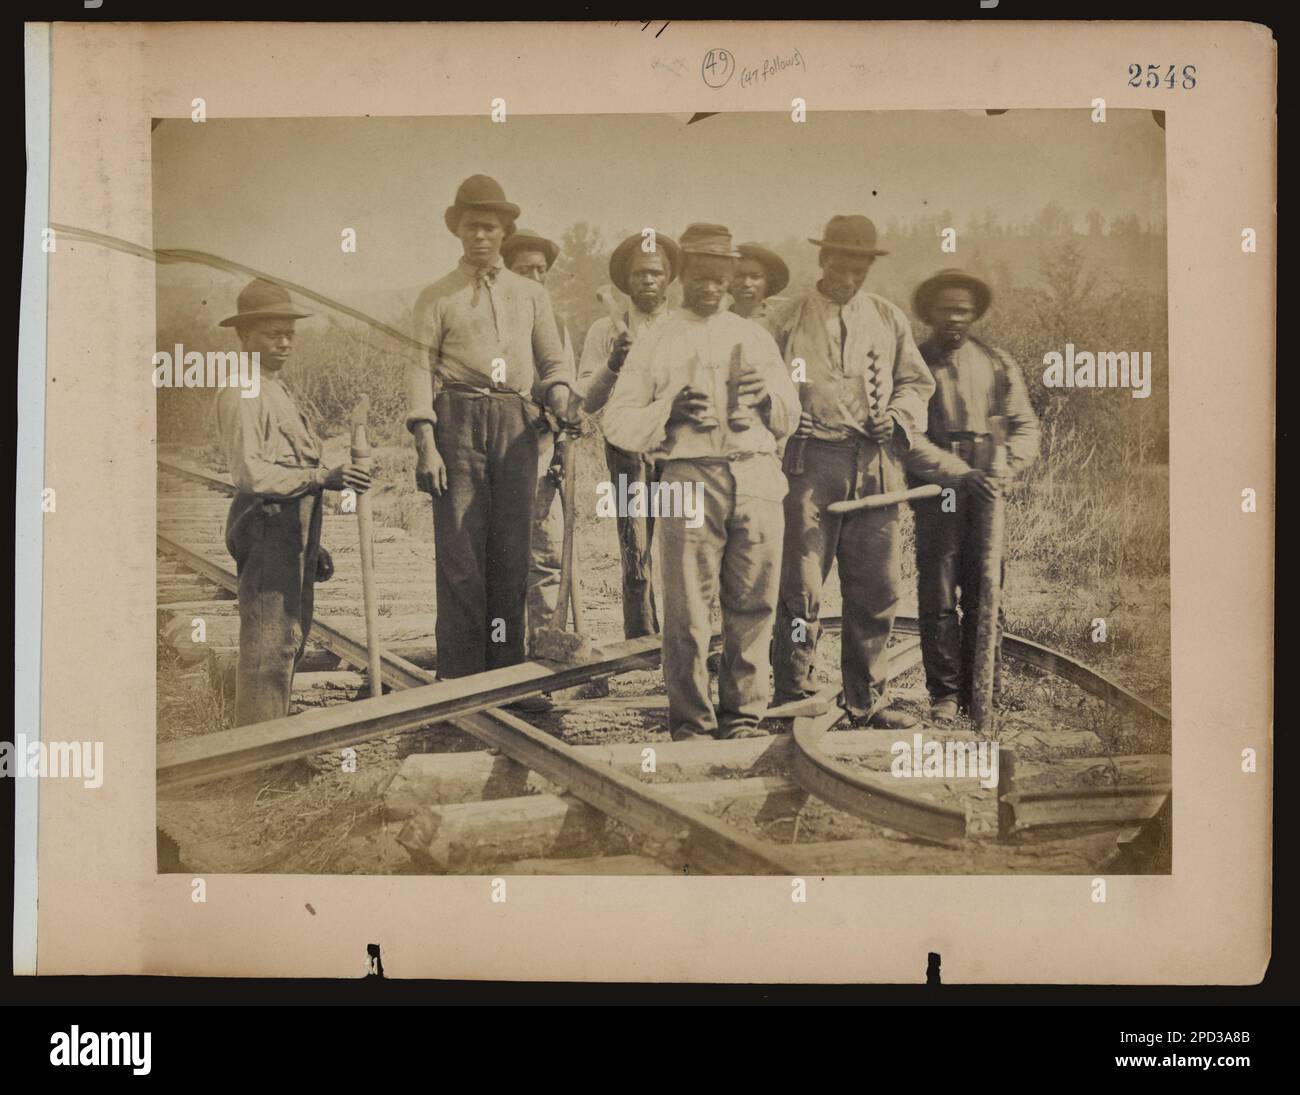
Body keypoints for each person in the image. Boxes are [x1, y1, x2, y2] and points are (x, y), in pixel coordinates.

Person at [603, 223, 800, 741]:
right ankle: (690, 724)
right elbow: (616, 420)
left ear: (731, 278)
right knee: (688, 610)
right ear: (682, 275)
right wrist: (668, 412)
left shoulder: (753, 336)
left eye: (719, 278)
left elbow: (790, 416)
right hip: (688, 476)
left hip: (756, 474)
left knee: (754, 602)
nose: (710, 288)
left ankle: (743, 718)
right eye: (699, 277)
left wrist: (765, 401)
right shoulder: (658, 338)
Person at [404, 175, 581, 688]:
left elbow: (552, 363)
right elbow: (418, 368)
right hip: (456, 423)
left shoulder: (530, 294)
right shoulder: (437, 297)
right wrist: (425, 443)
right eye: (470, 226)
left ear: (505, 231)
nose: (480, 236)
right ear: (457, 230)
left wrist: (562, 398)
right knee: (461, 556)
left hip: (516, 425)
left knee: (511, 555)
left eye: (490, 227)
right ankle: (460, 682)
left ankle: (506, 679)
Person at [763, 215, 935, 729]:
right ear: (823, 259)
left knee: (875, 585)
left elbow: (914, 383)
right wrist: (788, 413)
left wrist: (898, 419)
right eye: (841, 263)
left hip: (877, 464)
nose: (849, 274)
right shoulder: (787, 317)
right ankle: (793, 688)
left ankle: (866, 699)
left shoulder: (887, 318)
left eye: (859, 266)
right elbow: (760, 386)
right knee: (800, 584)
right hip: (809, 462)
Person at [214, 278, 372, 726]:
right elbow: (250, 473)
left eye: (289, 333)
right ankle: (257, 758)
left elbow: (287, 465)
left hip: (287, 531)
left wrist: (310, 540)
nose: (283, 342)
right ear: (244, 336)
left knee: (287, 641)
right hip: (266, 528)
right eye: (271, 333)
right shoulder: (245, 390)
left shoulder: (273, 387)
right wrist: (324, 477)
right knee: (269, 647)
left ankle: (269, 745)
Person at [907, 269, 1041, 721]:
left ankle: (984, 687)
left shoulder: (998, 362)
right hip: (940, 489)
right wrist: (957, 473)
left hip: (989, 490)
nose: (954, 318)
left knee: (986, 585)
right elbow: (908, 436)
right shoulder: (915, 362)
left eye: (963, 310)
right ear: (930, 313)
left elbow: (1023, 426)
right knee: (939, 588)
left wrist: (1007, 466)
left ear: (974, 314)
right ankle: (944, 694)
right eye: (946, 309)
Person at [576, 230, 681, 639]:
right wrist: (614, 364)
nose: (648, 281)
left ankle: (682, 642)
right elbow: (586, 398)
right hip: (625, 452)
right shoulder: (605, 330)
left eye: (656, 273)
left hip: (677, 452)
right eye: (640, 274)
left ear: (669, 277)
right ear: (627, 279)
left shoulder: (685, 327)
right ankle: (639, 644)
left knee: (682, 551)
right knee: (635, 553)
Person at [500, 227, 575, 642]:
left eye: (541, 269)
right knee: (507, 555)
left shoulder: (554, 325)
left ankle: (545, 646)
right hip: (498, 452)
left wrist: (562, 446)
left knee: (546, 552)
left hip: (543, 450)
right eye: (524, 269)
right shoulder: (494, 325)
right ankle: (505, 652)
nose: (535, 277)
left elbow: (567, 388)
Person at [730, 243, 789, 323]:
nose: (747, 283)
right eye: (740, 276)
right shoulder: (716, 320)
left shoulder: (779, 323)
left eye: (755, 277)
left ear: (767, 282)